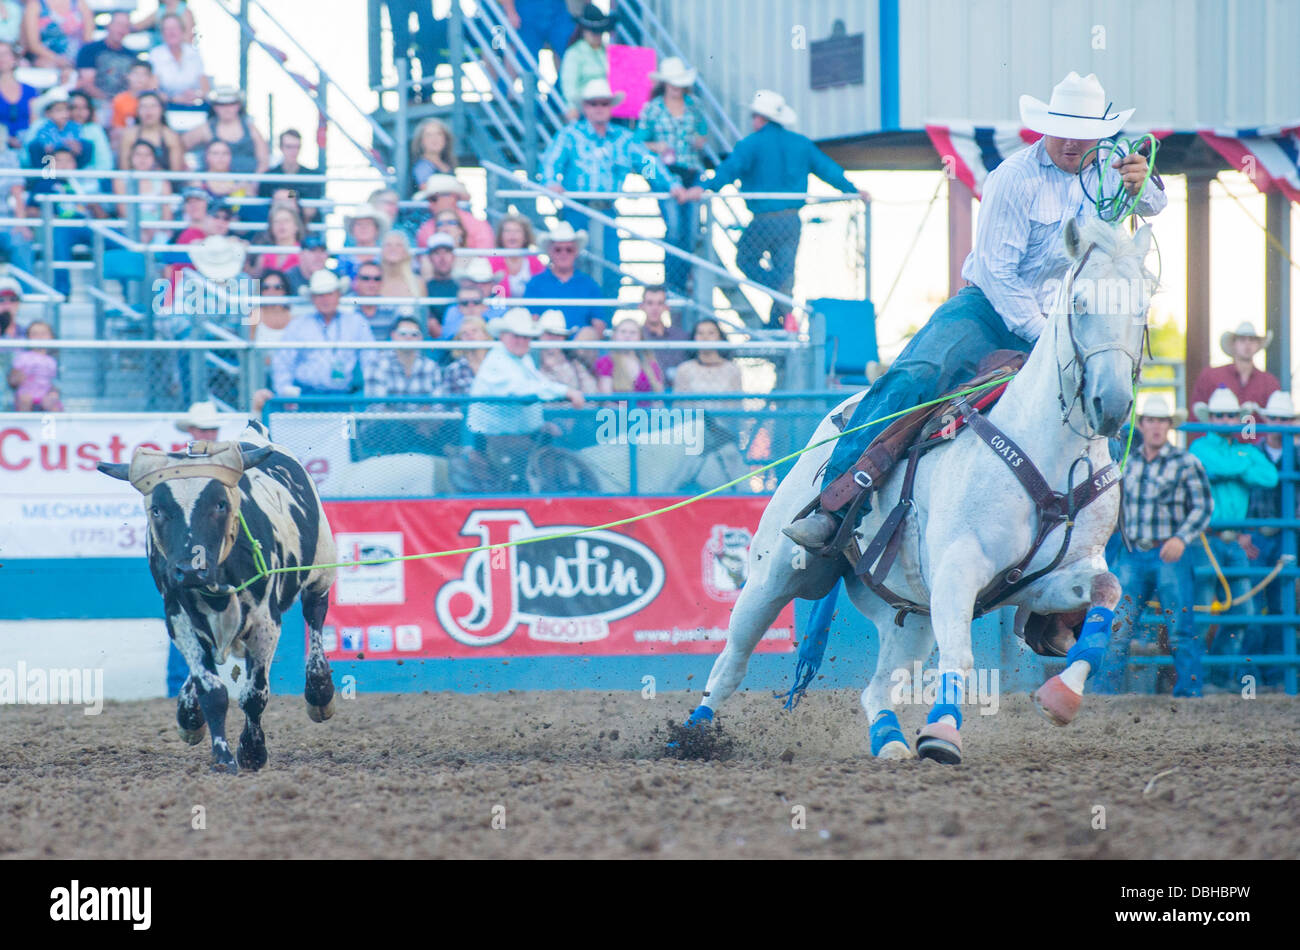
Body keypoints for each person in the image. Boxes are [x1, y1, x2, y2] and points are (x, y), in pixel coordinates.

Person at [785, 72, 1163, 548]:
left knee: (1106, 392)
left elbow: (1154, 203)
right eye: (1063, 129)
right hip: (988, 311)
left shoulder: (1109, 173)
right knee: (917, 373)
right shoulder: (1013, 178)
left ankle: (1086, 533)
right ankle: (833, 503)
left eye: (1083, 132)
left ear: (1099, 136)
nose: (1071, 141)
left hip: (1065, 320)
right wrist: (1043, 335)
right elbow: (999, 273)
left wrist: (1144, 183)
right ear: (1045, 128)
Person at [685, 88, 870, 326]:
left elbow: (729, 170)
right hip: (792, 220)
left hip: (764, 218)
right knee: (785, 272)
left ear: (760, 118)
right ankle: (779, 318)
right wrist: (853, 190)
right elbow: (827, 169)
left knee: (745, 259)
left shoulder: (751, 144)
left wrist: (706, 187)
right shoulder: (800, 144)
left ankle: (778, 295)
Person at [1092, 395, 1212, 697]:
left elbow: (1203, 507)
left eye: (1162, 422)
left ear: (1169, 426)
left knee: (1180, 630)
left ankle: (1189, 693)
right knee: (1118, 628)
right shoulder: (1127, 464)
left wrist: (1180, 538)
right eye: (1151, 421)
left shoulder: (1186, 462)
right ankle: (1104, 695)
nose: (1157, 427)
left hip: (1168, 554)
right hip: (1133, 555)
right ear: (1142, 425)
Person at [541, 77, 687, 295]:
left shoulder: (624, 139)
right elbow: (551, 161)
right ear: (585, 107)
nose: (599, 108)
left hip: (607, 211)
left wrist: (670, 185)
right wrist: (551, 182)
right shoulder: (570, 135)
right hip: (576, 210)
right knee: (574, 268)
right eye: (593, 103)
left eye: (604, 103)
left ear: (610, 107)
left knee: (611, 271)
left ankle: (606, 324)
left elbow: (648, 163)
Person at [1189, 386, 1279, 686]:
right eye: (1220, 415)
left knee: (1243, 611)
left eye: (1231, 415)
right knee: (1200, 613)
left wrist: (1230, 469)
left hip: (1233, 541)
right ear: (1210, 417)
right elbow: (1211, 467)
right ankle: (1193, 682)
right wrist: (1241, 467)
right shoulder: (1202, 448)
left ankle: (1214, 677)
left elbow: (1271, 477)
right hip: (1206, 539)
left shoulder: (1240, 449)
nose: (1226, 419)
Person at [636, 57, 708, 294]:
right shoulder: (653, 108)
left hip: (690, 170)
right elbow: (640, 143)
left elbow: (703, 132)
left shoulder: (694, 106)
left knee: (689, 230)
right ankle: (673, 283)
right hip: (665, 174)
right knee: (675, 228)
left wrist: (699, 140)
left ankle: (681, 280)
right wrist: (658, 147)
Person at [1242, 390, 1298, 683]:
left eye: (1284, 419)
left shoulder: (1295, 454)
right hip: (1258, 538)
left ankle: (1277, 676)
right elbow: (1243, 495)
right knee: (1252, 604)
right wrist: (1243, 532)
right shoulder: (1252, 454)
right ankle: (1249, 673)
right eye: (1274, 418)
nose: (1278, 423)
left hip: (1289, 537)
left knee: (1281, 605)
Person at [468, 306, 586, 437]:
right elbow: (521, 390)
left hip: (520, 435)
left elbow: (538, 382)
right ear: (502, 336)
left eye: (526, 336)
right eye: (516, 336)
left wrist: (565, 391)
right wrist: (565, 391)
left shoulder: (523, 358)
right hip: (494, 438)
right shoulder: (497, 360)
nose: (521, 341)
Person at [272, 269, 375, 400]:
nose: (325, 299)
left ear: (339, 295)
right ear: (313, 298)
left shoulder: (356, 322)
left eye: (330, 294)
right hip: (306, 396)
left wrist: (369, 393)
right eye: (320, 295)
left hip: (344, 396)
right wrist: (285, 392)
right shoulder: (298, 324)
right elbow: (283, 361)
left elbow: (370, 358)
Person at [1189, 322, 1280, 445]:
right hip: (1216, 449)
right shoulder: (1210, 376)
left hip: (1255, 451)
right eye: (1242, 339)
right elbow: (1196, 418)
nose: (1247, 344)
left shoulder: (1269, 382)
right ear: (1233, 344)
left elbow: (1276, 419)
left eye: (1252, 339)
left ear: (1258, 345)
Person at [521, 221, 605, 332]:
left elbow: (599, 325)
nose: (563, 254)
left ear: (576, 252)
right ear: (550, 252)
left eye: (569, 250)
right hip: (547, 343)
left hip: (579, 345)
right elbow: (531, 320)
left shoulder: (589, 284)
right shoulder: (535, 283)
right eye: (558, 250)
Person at [182, 86, 269, 176]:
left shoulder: (251, 129)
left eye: (231, 104)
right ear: (215, 107)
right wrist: (189, 171)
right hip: (213, 185)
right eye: (221, 105)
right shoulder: (206, 129)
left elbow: (264, 160)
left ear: (238, 105)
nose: (227, 109)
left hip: (247, 185)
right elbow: (179, 147)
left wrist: (254, 183)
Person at [364, 314, 441, 404]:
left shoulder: (431, 367)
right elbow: (376, 408)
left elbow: (438, 407)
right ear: (393, 336)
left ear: (421, 338)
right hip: (390, 419)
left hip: (423, 418)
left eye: (414, 334)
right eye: (403, 333)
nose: (408, 337)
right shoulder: (377, 365)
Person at [672, 318, 743, 407]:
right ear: (694, 338)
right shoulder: (684, 369)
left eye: (711, 333)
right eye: (700, 333)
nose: (705, 337)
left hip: (723, 420)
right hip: (694, 420)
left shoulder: (732, 369)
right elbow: (680, 405)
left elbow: (736, 405)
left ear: (720, 337)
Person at [558, 3, 611, 118]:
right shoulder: (574, 53)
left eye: (599, 31)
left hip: (608, 106)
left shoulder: (608, 51)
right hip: (585, 109)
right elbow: (569, 84)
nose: (597, 35)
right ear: (584, 31)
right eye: (593, 31)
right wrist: (572, 107)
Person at [413, 173, 492, 250]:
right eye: (428, 200)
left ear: (452, 198)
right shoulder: (426, 229)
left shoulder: (477, 226)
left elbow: (485, 257)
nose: (430, 205)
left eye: (433, 199)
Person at [114, 139, 172, 243]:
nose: (142, 159)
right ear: (131, 158)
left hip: (157, 231)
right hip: (130, 229)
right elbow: (123, 212)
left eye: (147, 155)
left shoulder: (162, 181)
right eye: (138, 154)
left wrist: (152, 230)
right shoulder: (121, 180)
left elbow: (167, 215)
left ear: (154, 159)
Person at [74, 11, 137, 107]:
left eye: (126, 26)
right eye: (119, 25)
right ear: (109, 26)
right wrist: (109, 102)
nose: (122, 30)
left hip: (123, 105)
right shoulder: (90, 50)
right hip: (94, 103)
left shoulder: (132, 56)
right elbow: (87, 83)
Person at [258, 129, 323, 220]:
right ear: (281, 147)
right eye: (289, 147)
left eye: (297, 147)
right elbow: (263, 207)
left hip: (305, 228)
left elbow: (310, 211)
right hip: (275, 225)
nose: (294, 151)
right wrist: (293, 195)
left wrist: (288, 195)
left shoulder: (312, 176)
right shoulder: (269, 176)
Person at [593, 317, 664, 398]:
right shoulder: (606, 362)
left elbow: (659, 397)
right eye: (623, 332)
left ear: (640, 337)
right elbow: (606, 398)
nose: (627, 336)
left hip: (647, 409)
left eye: (633, 332)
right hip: (619, 409)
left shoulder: (650, 363)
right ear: (615, 335)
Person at [148, 12, 207, 105]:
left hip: (192, 106)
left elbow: (205, 89)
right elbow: (153, 89)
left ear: (182, 31)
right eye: (167, 29)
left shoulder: (194, 54)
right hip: (166, 107)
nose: (171, 32)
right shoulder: (155, 55)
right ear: (162, 33)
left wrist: (196, 95)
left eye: (174, 28)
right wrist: (173, 99)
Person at [438, 257, 503, 340]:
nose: (479, 286)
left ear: (492, 285)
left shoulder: (500, 308)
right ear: (467, 283)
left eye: (484, 282)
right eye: (475, 282)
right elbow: (448, 337)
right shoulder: (454, 309)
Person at [117, 89, 183, 171]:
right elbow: (124, 170)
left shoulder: (171, 137)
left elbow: (175, 172)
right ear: (137, 110)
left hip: (163, 182)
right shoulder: (129, 135)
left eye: (153, 106)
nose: (148, 111)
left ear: (161, 110)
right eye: (143, 106)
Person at [501, 0, 575, 72]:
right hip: (527, 10)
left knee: (567, 49)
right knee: (524, 56)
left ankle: (564, 82)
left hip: (556, 9)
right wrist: (510, 11)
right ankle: (507, 83)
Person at [22, 0, 93, 71]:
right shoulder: (35, 6)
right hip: (47, 58)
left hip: (78, 56)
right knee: (45, 65)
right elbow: (33, 44)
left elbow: (88, 39)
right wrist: (58, 60)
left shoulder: (80, 4)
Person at [25, 88, 88, 168]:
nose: (64, 114)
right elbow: (46, 144)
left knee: (87, 145)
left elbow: (76, 142)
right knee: (35, 146)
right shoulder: (45, 127)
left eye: (66, 110)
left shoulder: (73, 126)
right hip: (51, 158)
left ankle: (79, 172)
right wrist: (59, 144)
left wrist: (75, 146)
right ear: (48, 113)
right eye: (59, 110)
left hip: (70, 157)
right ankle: (42, 176)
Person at [536, 308, 595, 392]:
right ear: (540, 336)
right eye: (549, 334)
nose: (553, 338)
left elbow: (590, 391)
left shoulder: (574, 363)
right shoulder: (530, 362)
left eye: (558, 335)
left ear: (564, 338)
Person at [638, 283, 688, 380]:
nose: (655, 308)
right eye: (650, 303)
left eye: (660, 303)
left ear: (666, 307)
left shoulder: (680, 337)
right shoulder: (635, 337)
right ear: (641, 306)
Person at [488, 212, 545, 298]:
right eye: (507, 231)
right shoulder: (491, 262)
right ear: (501, 236)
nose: (512, 235)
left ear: (525, 236)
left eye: (517, 231)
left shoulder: (535, 262)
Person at [336, 204, 389, 282]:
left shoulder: (385, 255)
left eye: (368, 224)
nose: (363, 228)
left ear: (377, 230)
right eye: (359, 224)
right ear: (352, 230)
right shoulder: (344, 256)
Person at [442, 314, 490, 395]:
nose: (469, 334)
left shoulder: (498, 365)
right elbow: (448, 404)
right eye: (464, 333)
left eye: (474, 330)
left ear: (486, 335)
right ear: (460, 339)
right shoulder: (453, 369)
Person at [421, 231, 459, 333]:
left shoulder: (462, 287)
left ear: (453, 256)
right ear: (430, 258)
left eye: (446, 252)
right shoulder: (423, 288)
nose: (442, 258)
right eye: (437, 253)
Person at [252, 202, 305, 276]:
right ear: (271, 228)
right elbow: (256, 284)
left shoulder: (303, 254)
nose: (281, 225)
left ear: (296, 226)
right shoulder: (264, 257)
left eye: (286, 220)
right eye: (276, 221)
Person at [351, 260, 399, 339]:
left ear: (382, 282)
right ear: (357, 280)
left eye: (377, 279)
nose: (371, 284)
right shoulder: (345, 306)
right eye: (366, 278)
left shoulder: (391, 308)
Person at [0, 41, 36, 145]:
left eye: (5, 54)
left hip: (26, 143)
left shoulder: (30, 90)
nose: (1, 58)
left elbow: (34, 122)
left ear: (14, 58)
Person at [378, 229, 426, 307]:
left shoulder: (417, 283)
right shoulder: (373, 281)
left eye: (399, 245)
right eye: (388, 245)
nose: (393, 249)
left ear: (405, 252)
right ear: (382, 251)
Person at [67, 90, 110, 172]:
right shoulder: (54, 128)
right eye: (74, 107)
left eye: (84, 107)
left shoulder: (94, 129)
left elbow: (104, 164)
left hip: (89, 177)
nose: (80, 112)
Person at [409, 117, 456, 192]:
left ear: (446, 138)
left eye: (439, 134)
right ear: (421, 141)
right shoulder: (422, 166)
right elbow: (427, 190)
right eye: (429, 135)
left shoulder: (448, 163)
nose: (434, 138)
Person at [110, 59, 157, 132]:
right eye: (135, 73)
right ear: (127, 76)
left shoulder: (156, 100)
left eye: (144, 74)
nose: (139, 78)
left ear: (150, 78)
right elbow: (117, 128)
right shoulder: (119, 100)